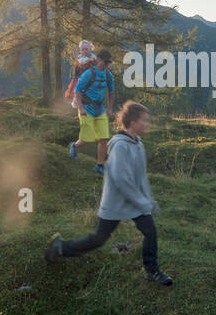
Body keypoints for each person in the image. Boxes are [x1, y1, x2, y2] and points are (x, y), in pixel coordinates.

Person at [45, 101, 173, 285]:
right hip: (116, 202)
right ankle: (60, 247)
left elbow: (140, 176)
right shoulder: (120, 146)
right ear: (133, 122)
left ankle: (152, 271)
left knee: (150, 231)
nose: (147, 124)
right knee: (99, 239)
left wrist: (148, 199)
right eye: (144, 120)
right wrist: (142, 202)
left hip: (135, 203)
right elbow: (121, 180)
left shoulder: (139, 144)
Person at [69, 48, 115, 174]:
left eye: (109, 63)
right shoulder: (88, 74)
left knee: (103, 138)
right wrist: (81, 108)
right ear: (98, 60)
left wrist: (110, 107)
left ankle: (100, 165)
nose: (106, 65)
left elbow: (111, 92)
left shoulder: (108, 75)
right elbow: (77, 91)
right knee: (87, 138)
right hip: (86, 108)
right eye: (105, 62)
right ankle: (74, 146)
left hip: (100, 109)